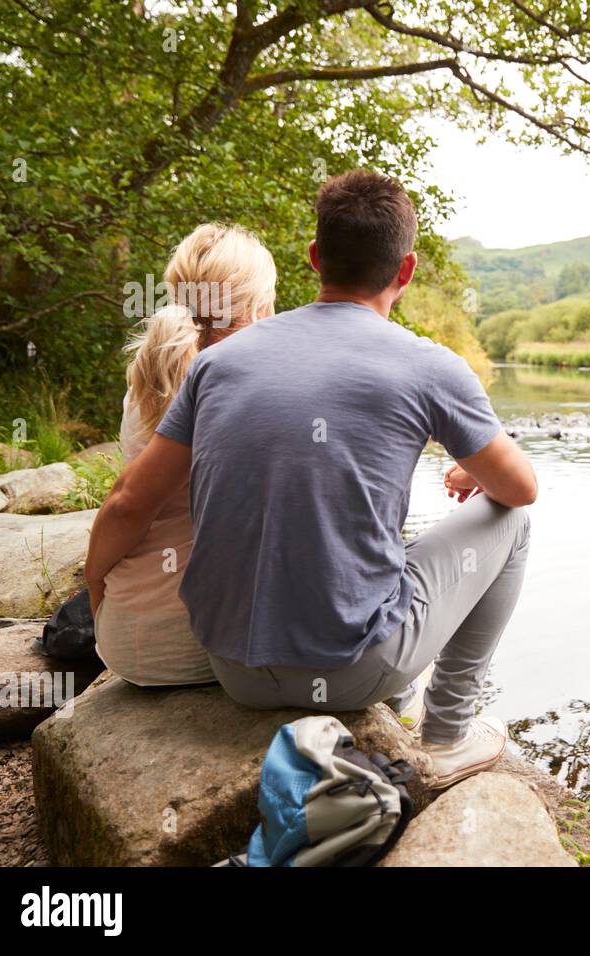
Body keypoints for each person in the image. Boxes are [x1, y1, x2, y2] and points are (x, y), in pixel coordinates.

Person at [84, 170, 537, 787]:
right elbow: (520, 487)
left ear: (316, 258)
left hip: (233, 670)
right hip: (355, 670)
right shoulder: (431, 364)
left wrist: (95, 590)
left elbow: (131, 497)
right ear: (405, 272)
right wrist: (471, 466)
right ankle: (447, 735)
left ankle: (407, 712)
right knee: (515, 524)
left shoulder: (216, 362)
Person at [95, 223, 277, 686]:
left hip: (126, 642)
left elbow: (123, 512)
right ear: (257, 308)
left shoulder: (145, 382)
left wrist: (95, 594)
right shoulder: (261, 390)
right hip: (213, 645)